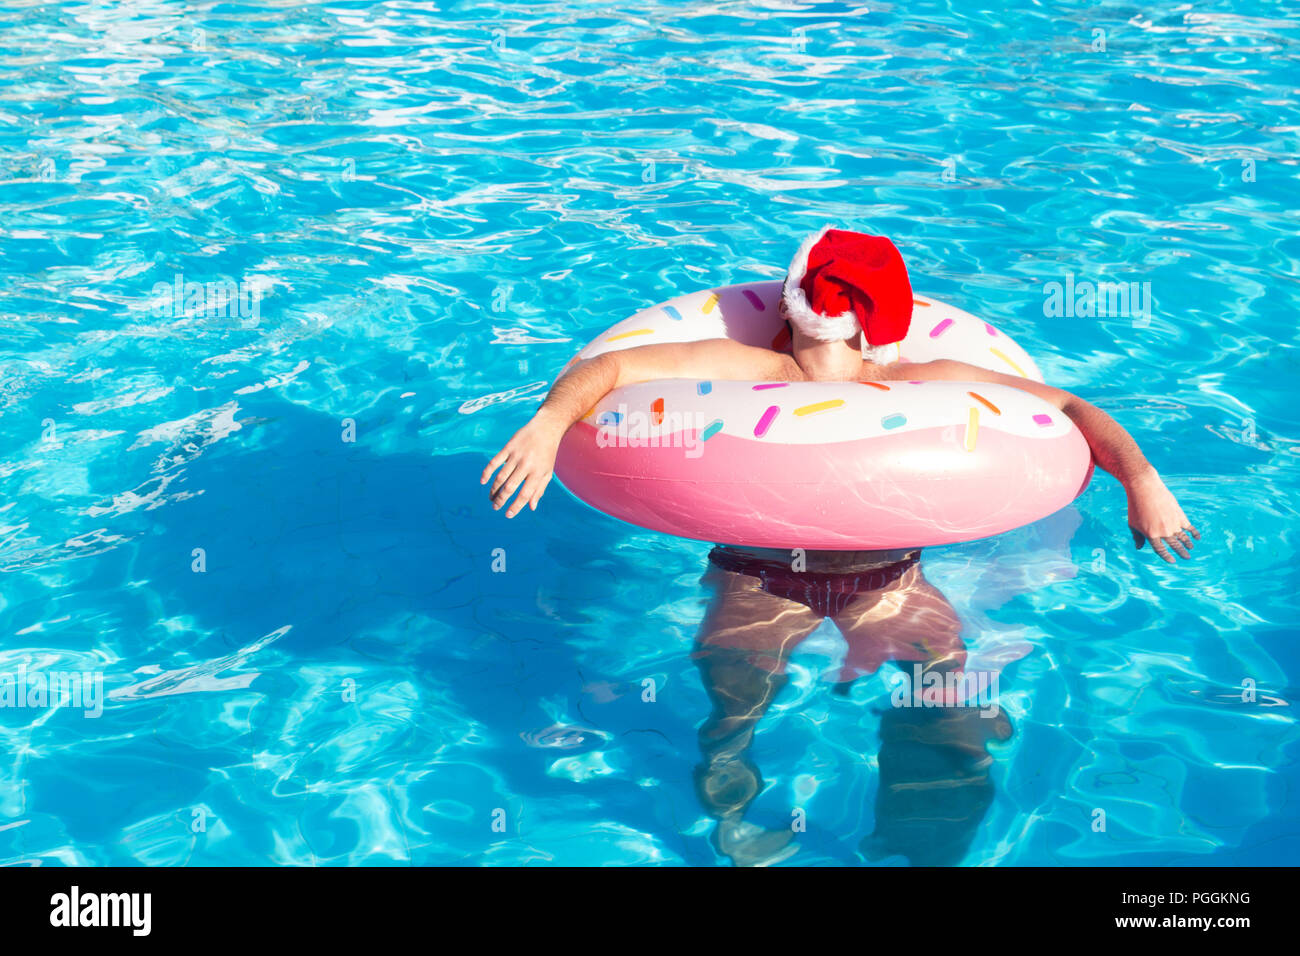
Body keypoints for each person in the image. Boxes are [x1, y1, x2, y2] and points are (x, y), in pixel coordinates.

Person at [482, 227, 1199, 564]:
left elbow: (612, 369)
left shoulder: (736, 363)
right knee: (949, 700)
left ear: (788, 308)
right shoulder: (929, 378)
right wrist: (1143, 479)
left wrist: (549, 422)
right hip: (877, 572)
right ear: (887, 325)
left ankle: (734, 822)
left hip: (752, 576)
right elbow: (1070, 407)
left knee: (731, 713)